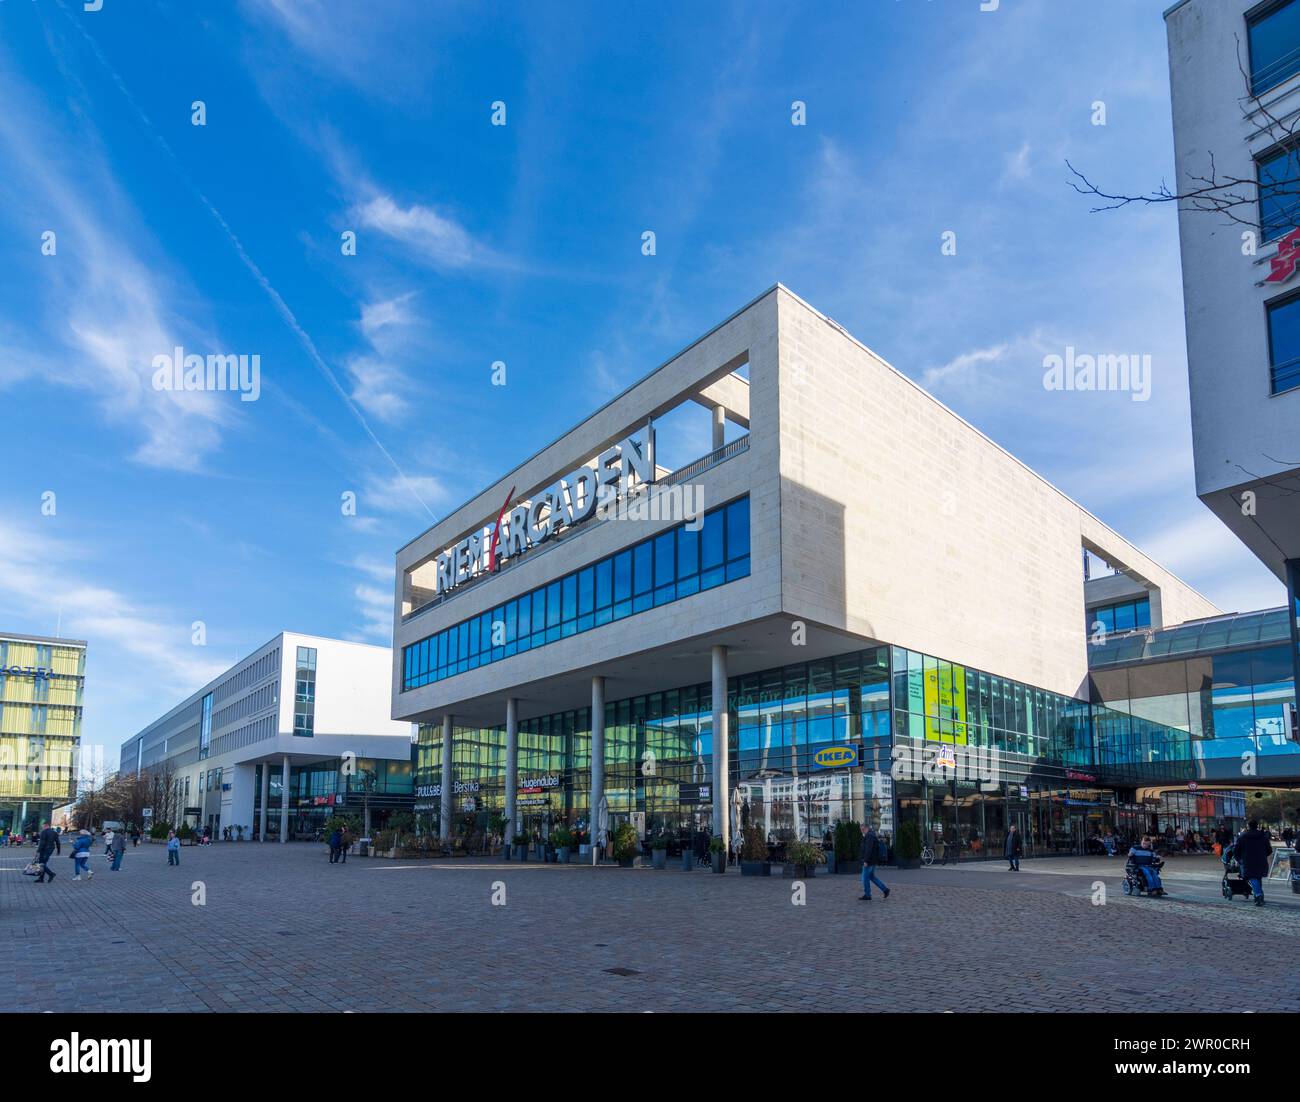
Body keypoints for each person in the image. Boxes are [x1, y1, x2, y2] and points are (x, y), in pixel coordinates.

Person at [1233, 819, 1273, 907]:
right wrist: (1263, 855)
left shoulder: (1243, 837)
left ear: (1248, 826)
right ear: (1257, 826)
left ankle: (1258, 896)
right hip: (1261, 860)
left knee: (1252, 878)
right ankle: (1259, 896)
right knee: (1258, 878)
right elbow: (1269, 850)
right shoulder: (1263, 836)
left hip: (1248, 861)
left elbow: (1236, 850)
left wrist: (1239, 859)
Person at [858, 823, 890, 901]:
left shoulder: (869, 836)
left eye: (862, 829)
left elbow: (868, 849)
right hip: (872, 860)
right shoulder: (871, 835)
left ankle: (868, 895)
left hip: (869, 861)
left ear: (866, 828)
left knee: (865, 878)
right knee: (872, 877)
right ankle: (885, 889)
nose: (861, 831)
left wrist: (866, 860)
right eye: (861, 829)